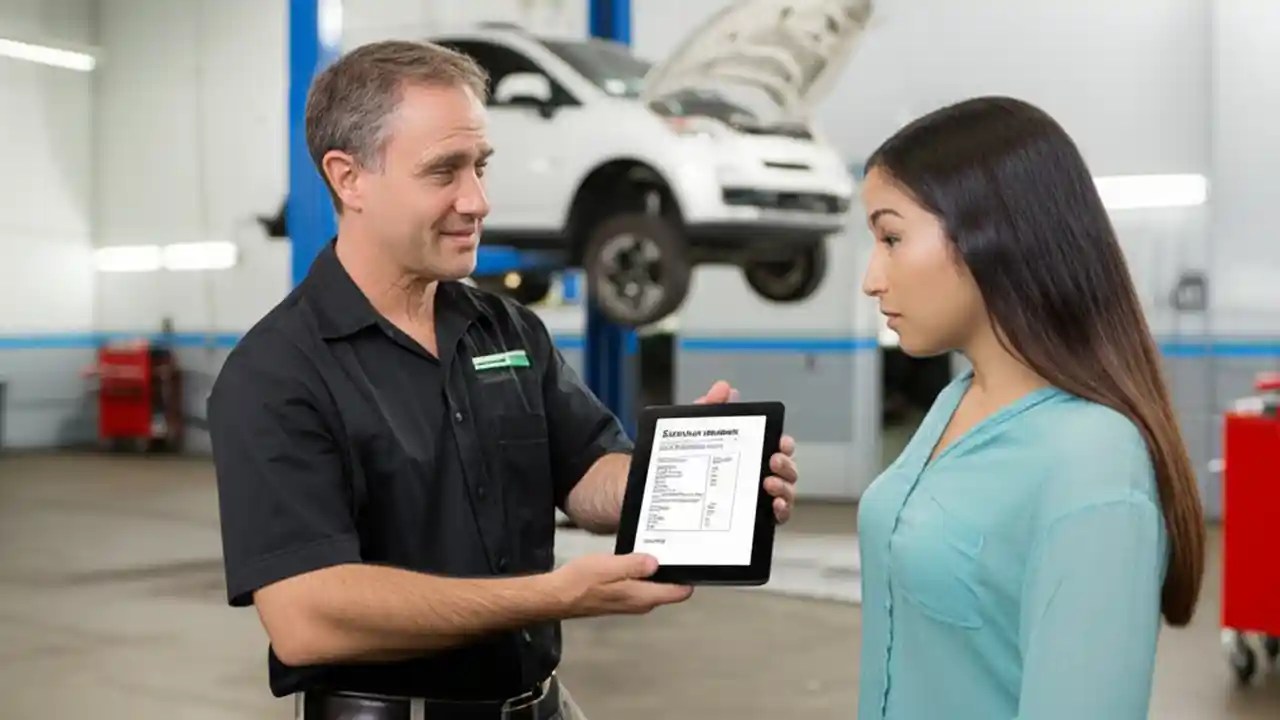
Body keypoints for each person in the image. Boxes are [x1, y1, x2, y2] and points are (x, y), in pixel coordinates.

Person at [206, 40, 799, 720]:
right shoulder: (276, 374)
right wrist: (554, 595)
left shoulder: (507, 330)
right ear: (349, 179)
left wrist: (688, 474)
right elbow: (308, 617)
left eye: (481, 166)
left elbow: (584, 473)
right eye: (444, 172)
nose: (478, 200)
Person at [854, 96, 1205, 719]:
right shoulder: (954, 402)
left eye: (891, 237)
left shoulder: (1093, 460)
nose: (872, 277)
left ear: (990, 232)